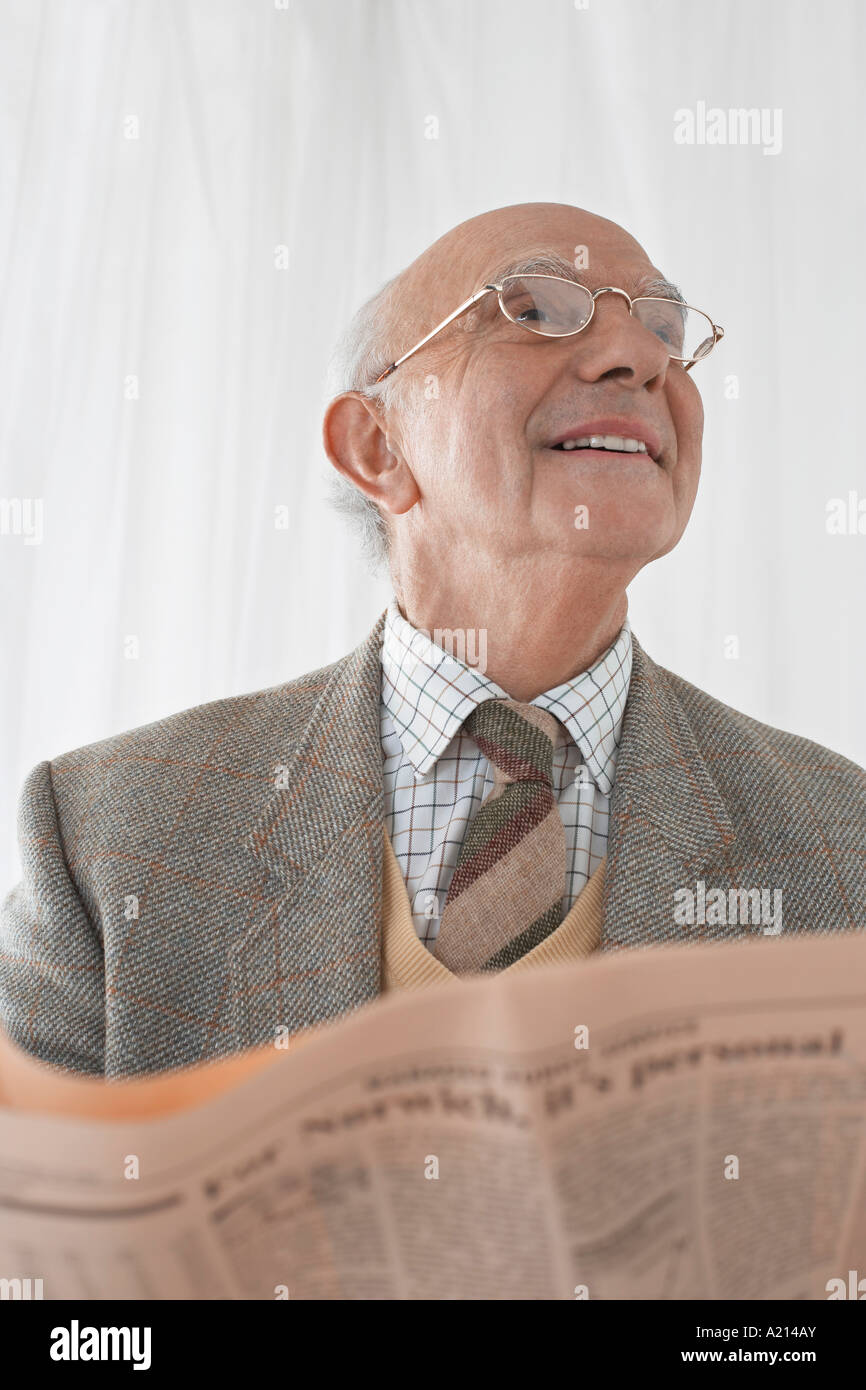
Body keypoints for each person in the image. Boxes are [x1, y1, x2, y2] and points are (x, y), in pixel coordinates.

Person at [2, 201, 864, 1080]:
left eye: (665, 328)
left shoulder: (847, 842)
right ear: (377, 446)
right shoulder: (106, 836)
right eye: (533, 309)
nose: (639, 357)